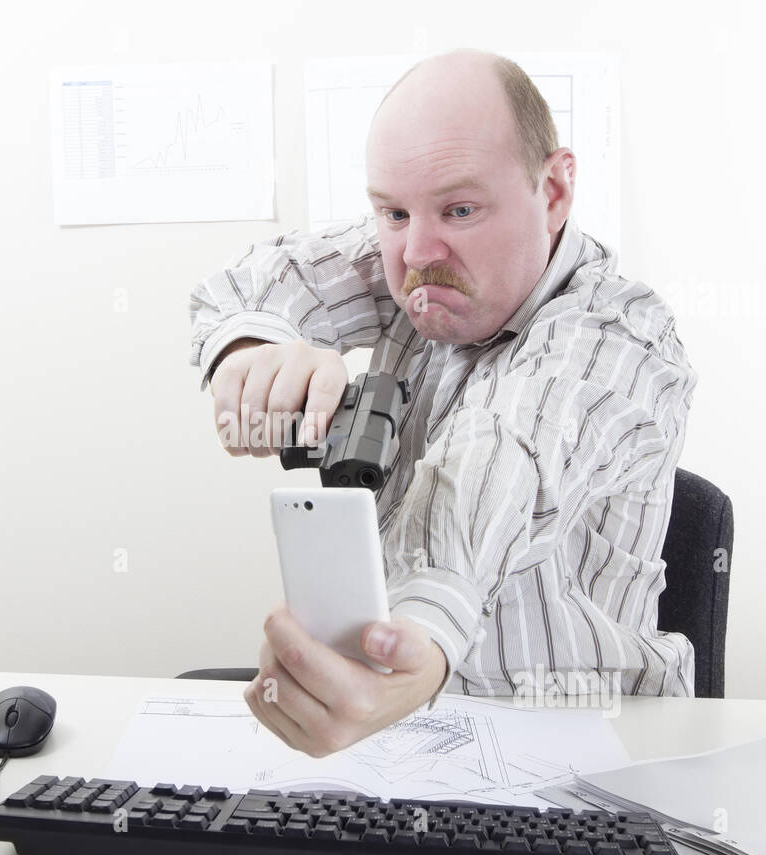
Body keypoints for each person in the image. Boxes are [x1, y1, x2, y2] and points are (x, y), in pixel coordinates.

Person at [187, 48, 697, 758]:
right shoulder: (423, 260)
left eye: (460, 208)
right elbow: (249, 287)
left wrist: (416, 635)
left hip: (592, 750)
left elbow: (508, 453)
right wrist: (254, 351)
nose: (419, 251)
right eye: (392, 211)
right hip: (407, 736)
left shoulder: (620, 333)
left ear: (552, 191)